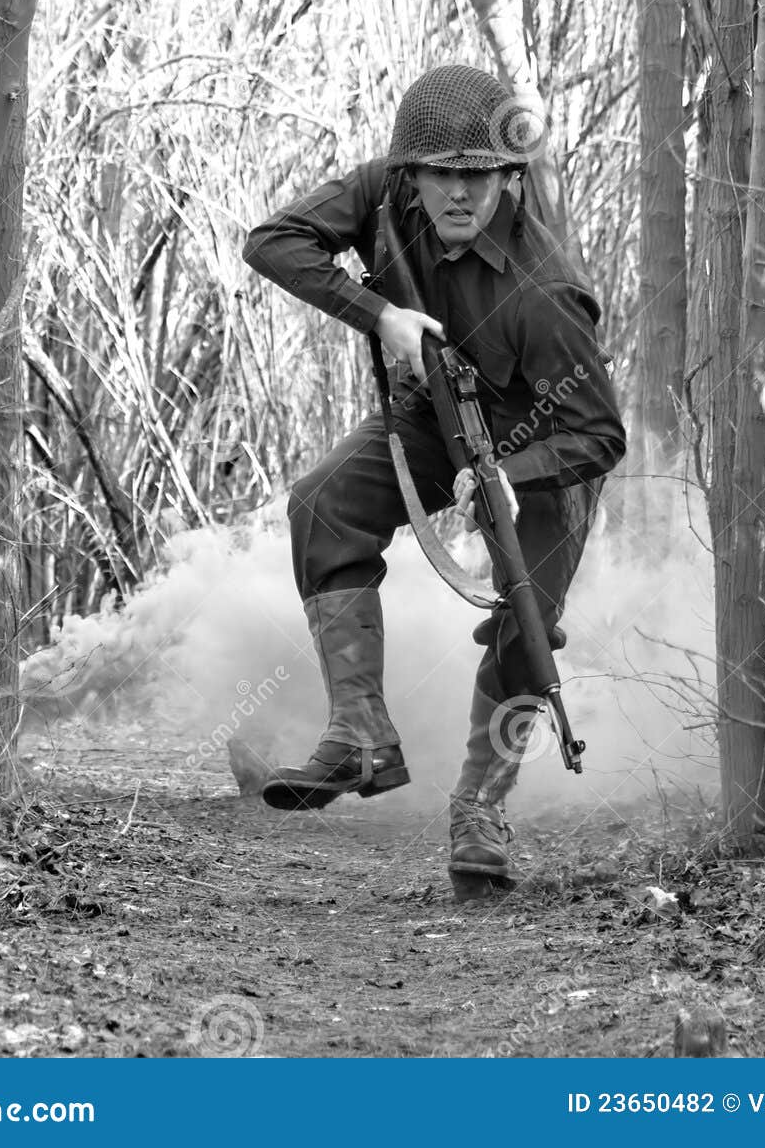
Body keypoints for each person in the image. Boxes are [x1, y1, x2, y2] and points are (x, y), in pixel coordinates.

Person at [241, 63, 626, 895]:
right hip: (432, 415)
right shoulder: (382, 195)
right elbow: (271, 244)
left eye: (479, 176)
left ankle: (480, 808)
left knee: (525, 624)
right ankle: (359, 733)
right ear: (411, 173)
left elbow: (600, 431)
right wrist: (378, 312)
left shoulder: (545, 290)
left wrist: (513, 472)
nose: (460, 194)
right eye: (442, 175)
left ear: (505, 177)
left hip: (545, 452)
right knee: (323, 501)